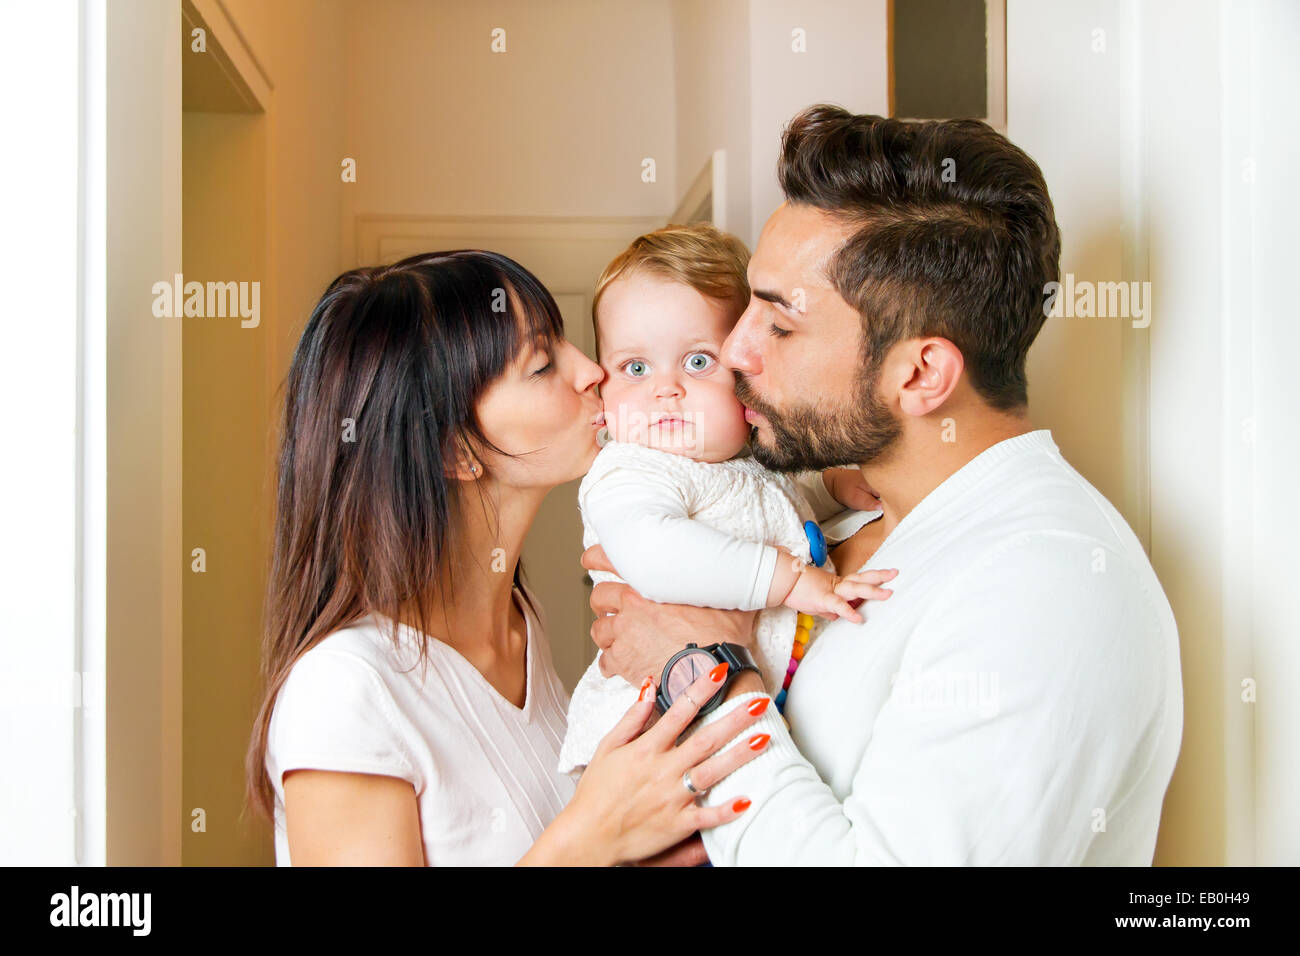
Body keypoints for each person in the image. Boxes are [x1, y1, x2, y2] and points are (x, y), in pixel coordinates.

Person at [585, 105, 1184, 865]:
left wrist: (702, 669)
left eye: (778, 324)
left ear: (921, 374)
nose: (733, 353)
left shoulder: (1048, 584)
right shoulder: (824, 520)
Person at [244, 250, 770, 866]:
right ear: (456, 451)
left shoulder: (521, 624)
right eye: (544, 364)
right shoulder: (345, 689)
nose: (593, 372)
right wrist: (592, 838)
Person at [558, 222, 896, 778]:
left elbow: (767, 506)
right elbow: (658, 554)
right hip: (659, 732)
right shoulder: (629, 472)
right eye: (635, 368)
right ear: (605, 384)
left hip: (735, 713)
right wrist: (789, 580)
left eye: (696, 362)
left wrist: (829, 487)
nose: (665, 389)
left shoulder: (745, 460)